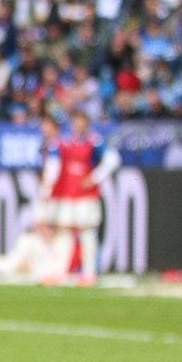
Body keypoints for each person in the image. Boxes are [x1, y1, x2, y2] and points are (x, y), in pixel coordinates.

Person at [42, 111, 117, 286]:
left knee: (87, 232)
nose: (78, 126)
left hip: (86, 195)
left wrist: (95, 177)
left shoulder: (94, 141)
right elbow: (53, 164)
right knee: (65, 232)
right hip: (68, 194)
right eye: (76, 122)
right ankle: (59, 271)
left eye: (81, 123)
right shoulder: (64, 142)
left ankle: (89, 273)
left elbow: (112, 159)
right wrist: (48, 189)